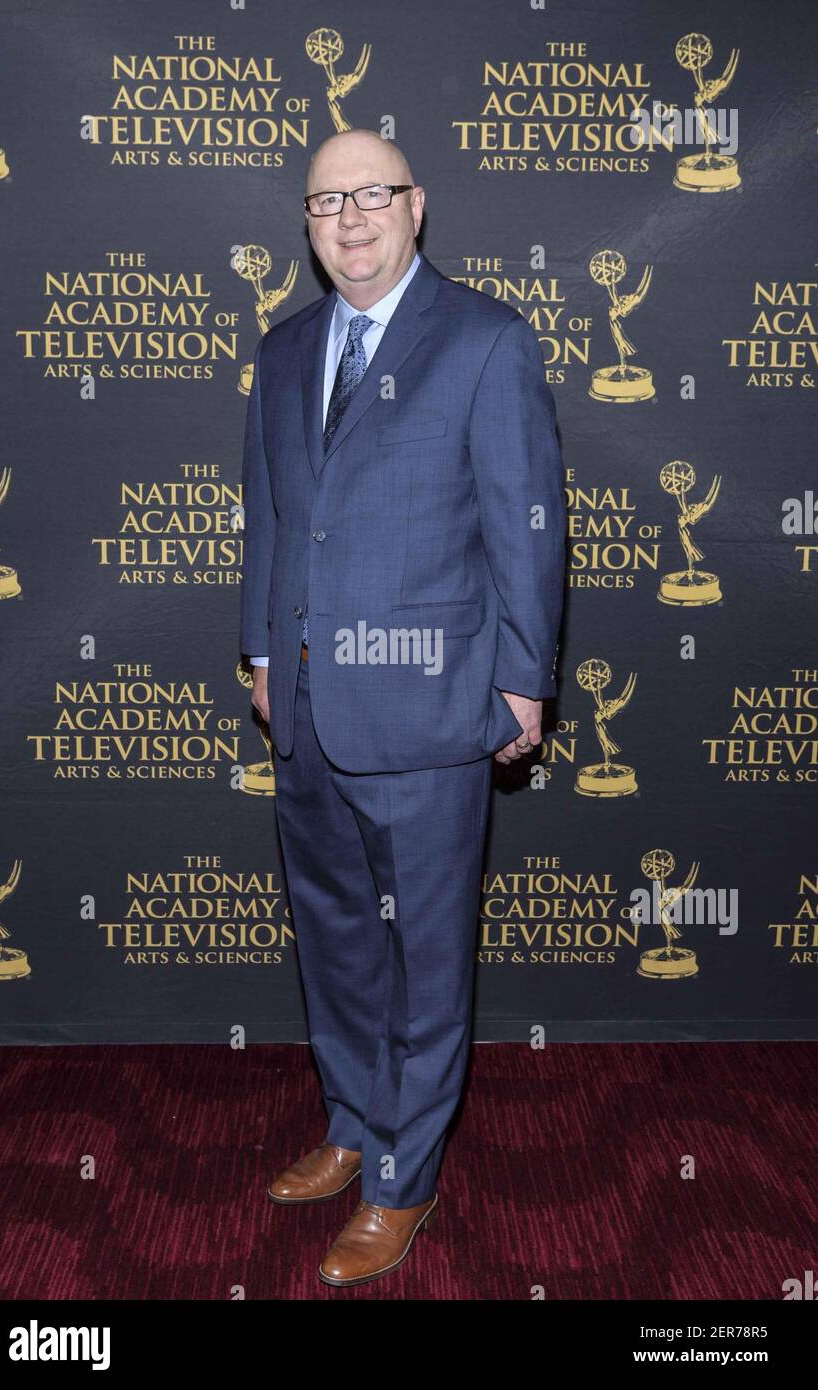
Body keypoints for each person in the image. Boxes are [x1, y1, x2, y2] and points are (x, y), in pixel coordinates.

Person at [239, 128, 566, 1287]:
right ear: (308, 222)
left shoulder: (484, 341)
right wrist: (260, 653)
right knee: (334, 937)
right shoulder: (284, 348)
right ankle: (351, 1122)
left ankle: (401, 1177)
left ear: (415, 206)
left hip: (430, 707)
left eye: (372, 194)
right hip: (307, 705)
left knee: (425, 961)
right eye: (327, 201)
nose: (350, 218)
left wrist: (522, 682)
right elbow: (271, 518)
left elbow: (526, 525)